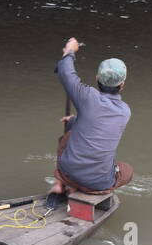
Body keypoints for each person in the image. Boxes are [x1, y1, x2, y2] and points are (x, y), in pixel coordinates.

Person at [48, 37, 134, 207]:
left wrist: (70, 51)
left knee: (67, 136)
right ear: (122, 85)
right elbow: (99, 124)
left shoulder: (88, 97)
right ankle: (84, 189)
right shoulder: (125, 111)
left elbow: (66, 72)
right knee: (128, 171)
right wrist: (75, 120)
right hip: (98, 183)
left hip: (68, 173)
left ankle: (60, 184)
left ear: (96, 78)